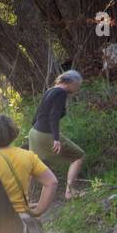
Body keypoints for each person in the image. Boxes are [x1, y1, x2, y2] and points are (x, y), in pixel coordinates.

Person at [28, 70, 85, 199]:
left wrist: (35, 131)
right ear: (72, 82)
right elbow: (53, 116)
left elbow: (37, 115)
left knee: (33, 167)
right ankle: (69, 192)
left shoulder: (50, 90)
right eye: (78, 85)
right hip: (45, 133)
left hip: (34, 132)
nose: (78, 88)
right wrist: (56, 138)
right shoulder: (61, 93)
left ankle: (23, 200)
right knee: (78, 156)